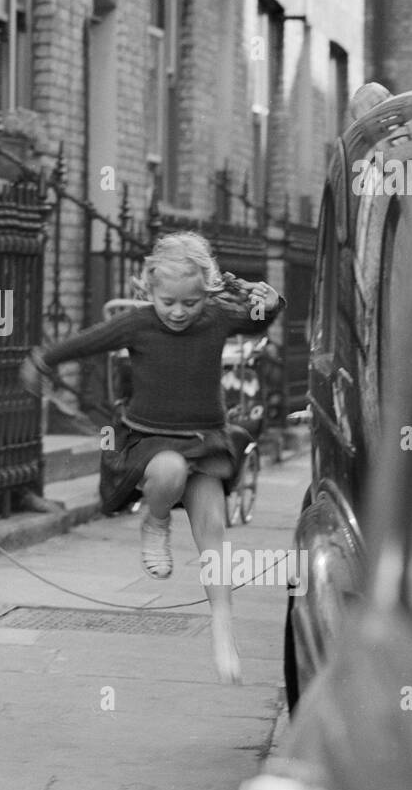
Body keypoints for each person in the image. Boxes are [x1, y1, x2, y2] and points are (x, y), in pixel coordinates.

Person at [20, 231, 285, 685]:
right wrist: (44, 359)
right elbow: (89, 341)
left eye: (190, 302)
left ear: (206, 292)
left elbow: (259, 320)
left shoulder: (218, 316)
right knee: (169, 470)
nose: (179, 312)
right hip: (149, 439)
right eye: (168, 302)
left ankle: (222, 626)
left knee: (215, 530)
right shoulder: (138, 324)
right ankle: (156, 519)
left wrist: (270, 298)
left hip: (205, 438)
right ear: (149, 291)